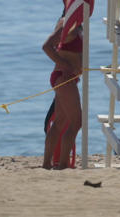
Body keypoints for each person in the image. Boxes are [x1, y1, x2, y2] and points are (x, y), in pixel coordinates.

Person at [41, 17, 83, 169]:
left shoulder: (75, 23)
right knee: (76, 122)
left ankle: (47, 164)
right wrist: (65, 64)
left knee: (60, 122)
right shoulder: (67, 22)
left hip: (65, 77)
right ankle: (63, 165)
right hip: (64, 77)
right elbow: (47, 46)